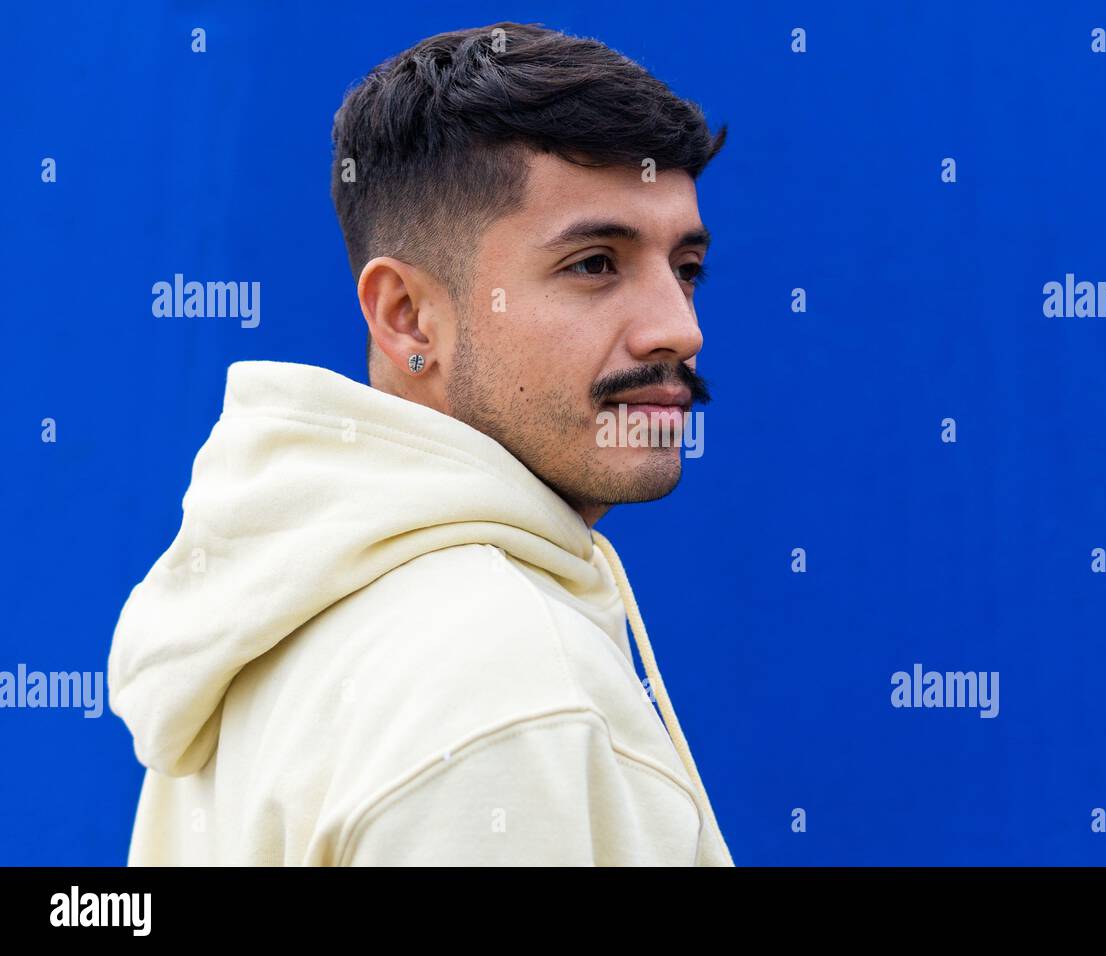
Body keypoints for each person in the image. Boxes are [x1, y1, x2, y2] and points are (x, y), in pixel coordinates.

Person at [106, 21, 733, 866]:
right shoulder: (502, 683)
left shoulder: (286, 609)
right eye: (594, 263)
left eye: (684, 268)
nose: (678, 329)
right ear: (407, 316)